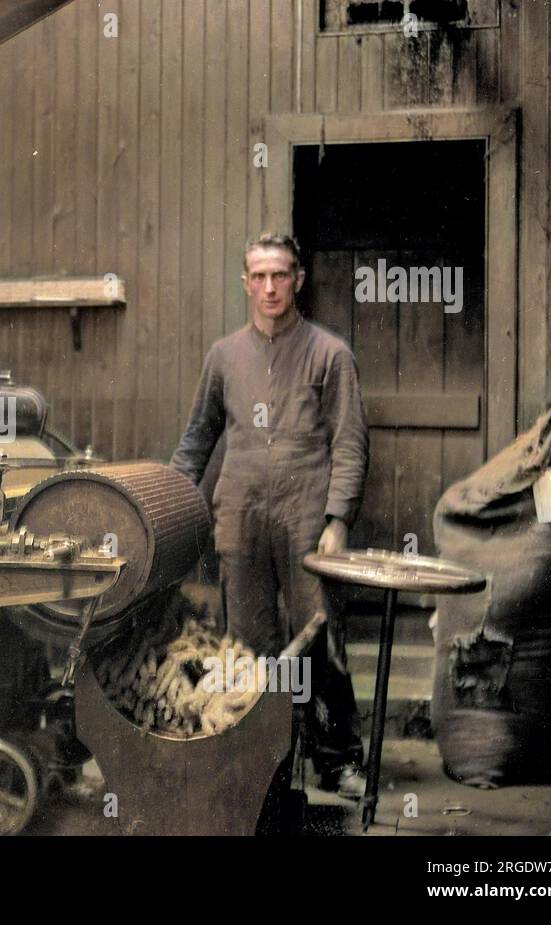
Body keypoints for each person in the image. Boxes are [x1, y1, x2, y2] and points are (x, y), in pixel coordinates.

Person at [170, 233, 368, 798]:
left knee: (318, 633)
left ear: (298, 279)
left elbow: (350, 443)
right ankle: (260, 761)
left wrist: (339, 519)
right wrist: (170, 500)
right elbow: (196, 441)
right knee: (247, 643)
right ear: (245, 283)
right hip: (241, 514)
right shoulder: (224, 356)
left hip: (307, 513)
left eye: (280, 274)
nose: (269, 287)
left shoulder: (330, 354)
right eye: (258, 276)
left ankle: (336, 760)